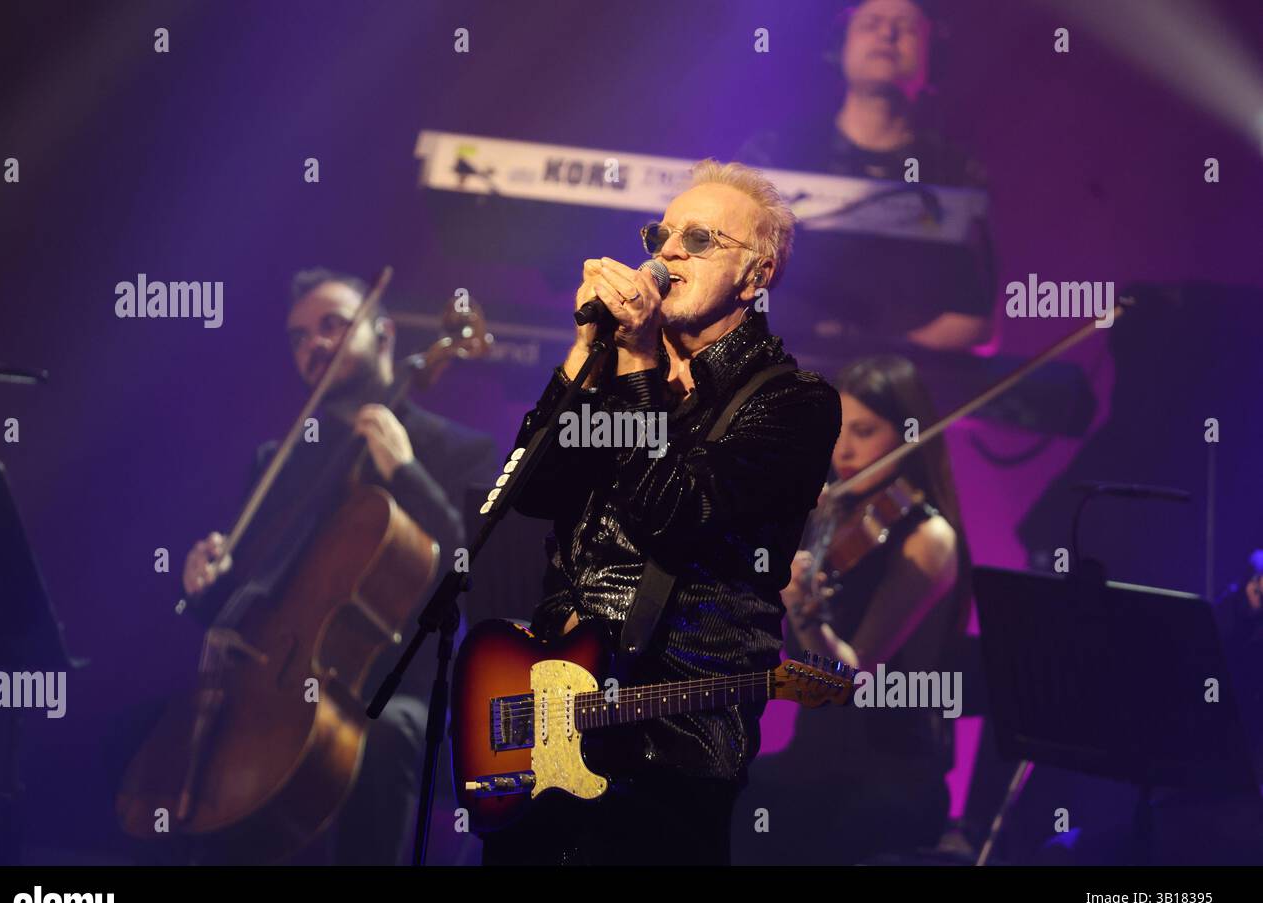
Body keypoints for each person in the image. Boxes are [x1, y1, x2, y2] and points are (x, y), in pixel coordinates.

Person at [480, 159, 841, 865]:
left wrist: (639, 362)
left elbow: (677, 511)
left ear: (755, 275)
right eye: (662, 232)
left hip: (670, 750)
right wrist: (584, 354)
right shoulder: (617, 370)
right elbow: (533, 492)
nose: (667, 250)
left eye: (699, 239)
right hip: (551, 722)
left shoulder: (793, 401)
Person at [179, 267, 498, 865]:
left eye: (333, 325)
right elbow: (250, 609)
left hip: (394, 684)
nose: (315, 345)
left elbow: (471, 573)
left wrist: (406, 473)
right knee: (159, 742)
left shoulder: (459, 453)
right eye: (299, 337)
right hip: (277, 681)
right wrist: (205, 587)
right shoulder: (281, 462)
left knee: (383, 736)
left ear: (383, 334)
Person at [732, 354, 971, 865]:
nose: (844, 449)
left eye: (864, 431)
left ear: (909, 435)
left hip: (887, 778)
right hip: (812, 762)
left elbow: (850, 682)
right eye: (839, 430)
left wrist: (808, 614)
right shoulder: (832, 514)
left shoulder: (927, 538)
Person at [739, 0, 995, 351]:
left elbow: (975, 318)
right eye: (870, 23)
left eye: (906, 28)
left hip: (894, 386)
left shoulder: (956, 172)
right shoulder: (774, 150)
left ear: (931, 55)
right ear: (840, 46)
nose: (887, 34)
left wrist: (882, 368)